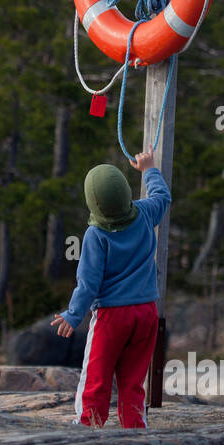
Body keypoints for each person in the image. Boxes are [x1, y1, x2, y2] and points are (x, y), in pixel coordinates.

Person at [51, 150, 171, 427]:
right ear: (126, 194)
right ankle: (134, 427)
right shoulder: (144, 213)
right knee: (133, 379)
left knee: (97, 374)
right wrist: (149, 169)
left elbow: (88, 283)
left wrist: (73, 314)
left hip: (111, 317)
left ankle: (88, 425)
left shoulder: (96, 235)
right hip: (146, 313)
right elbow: (163, 197)